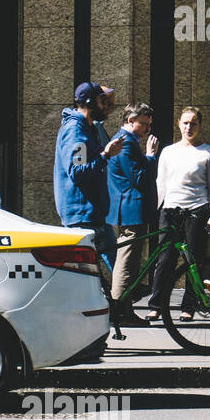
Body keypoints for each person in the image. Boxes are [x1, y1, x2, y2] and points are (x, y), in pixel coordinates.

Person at [147, 106, 210, 322]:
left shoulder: (208, 152)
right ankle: (156, 305)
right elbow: (161, 184)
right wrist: (154, 210)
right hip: (170, 210)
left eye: (193, 123)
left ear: (200, 125)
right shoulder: (168, 151)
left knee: (193, 262)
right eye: (185, 122)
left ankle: (189, 306)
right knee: (165, 259)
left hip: (197, 211)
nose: (189, 127)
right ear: (179, 123)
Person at [54, 82, 124, 273]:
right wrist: (106, 155)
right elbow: (78, 172)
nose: (109, 109)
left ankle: (119, 301)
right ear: (91, 102)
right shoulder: (76, 131)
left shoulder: (88, 128)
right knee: (88, 276)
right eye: (105, 102)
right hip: (82, 217)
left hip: (92, 214)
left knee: (118, 274)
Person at [106, 102, 159, 324]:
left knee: (129, 261)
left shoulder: (126, 141)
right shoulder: (126, 143)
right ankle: (120, 311)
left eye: (149, 125)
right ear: (130, 121)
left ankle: (124, 309)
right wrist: (150, 156)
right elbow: (137, 179)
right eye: (144, 124)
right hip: (130, 210)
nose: (148, 129)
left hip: (130, 209)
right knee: (126, 262)